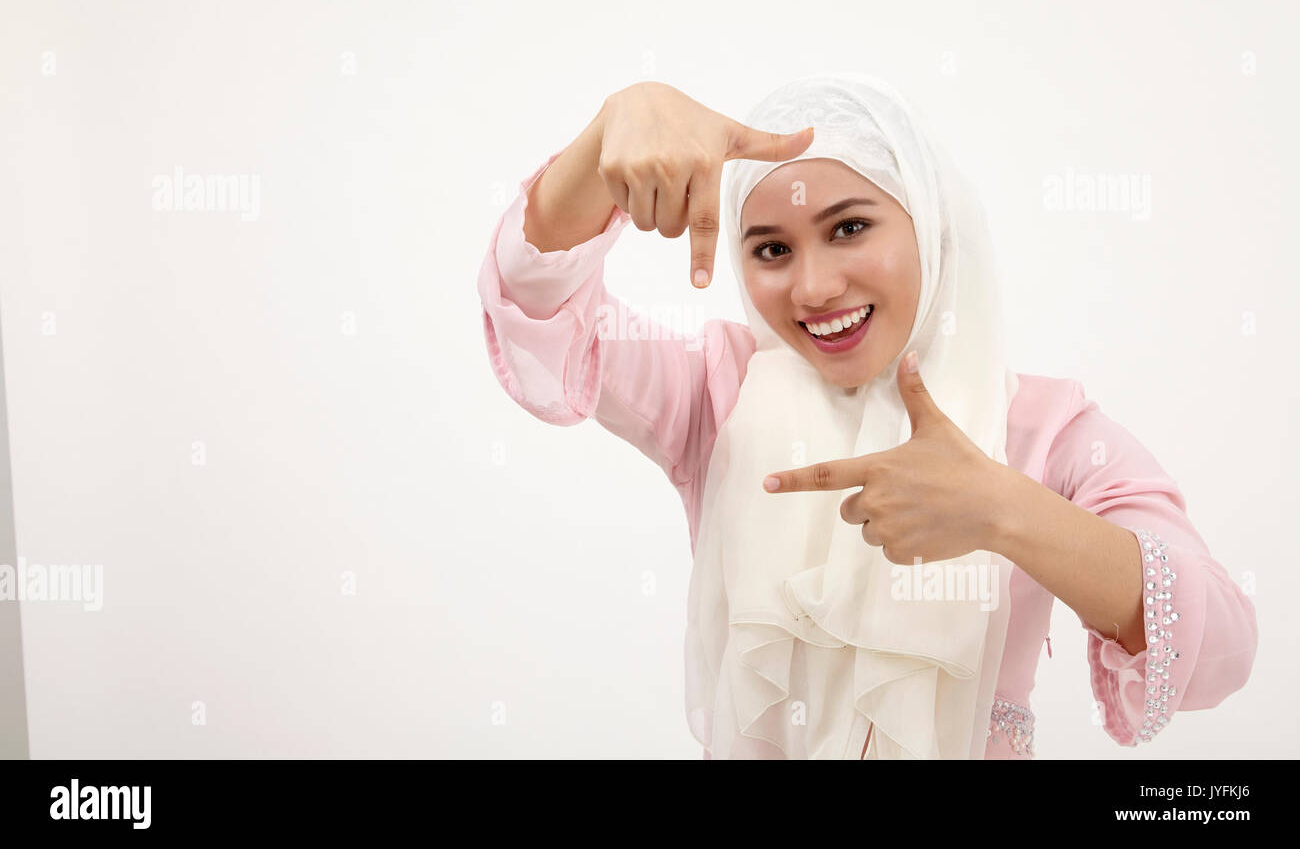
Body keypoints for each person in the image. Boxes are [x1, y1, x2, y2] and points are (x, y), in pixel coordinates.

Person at [476, 74, 1258, 759]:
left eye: (850, 227)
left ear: (927, 222)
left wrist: (1003, 509)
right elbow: (533, 304)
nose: (813, 287)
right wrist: (613, 126)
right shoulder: (717, 394)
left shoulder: (1048, 431)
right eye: (772, 250)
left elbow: (1220, 648)